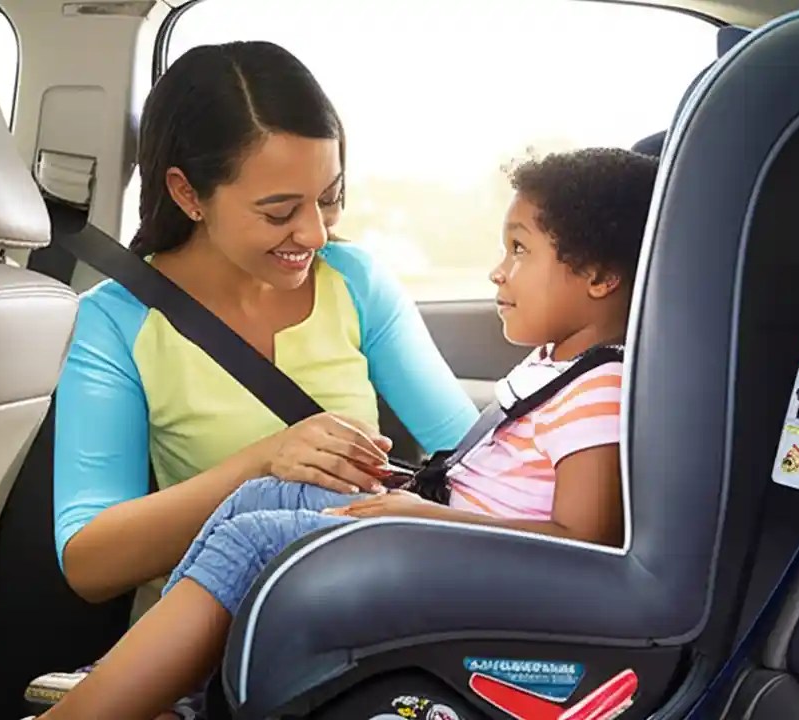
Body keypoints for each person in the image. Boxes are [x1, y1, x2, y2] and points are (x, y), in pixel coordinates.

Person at [33, 146, 660, 720]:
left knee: (255, 542)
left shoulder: (599, 389)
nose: (498, 273)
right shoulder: (557, 365)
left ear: (600, 277)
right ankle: (154, 683)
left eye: (519, 250)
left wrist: (432, 517)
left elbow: (584, 544)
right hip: (448, 533)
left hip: (474, 563)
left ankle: (118, 702)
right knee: (260, 499)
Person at [51, 39, 479, 669]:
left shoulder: (354, 281)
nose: (315, 233)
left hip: (363, 626)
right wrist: (263, 464)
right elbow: (89, 561)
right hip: (207, 651)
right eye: (280, 211)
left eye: (328, 198)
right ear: (188, 193)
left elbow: (475, 462)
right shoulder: (113, 321)